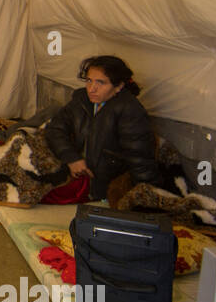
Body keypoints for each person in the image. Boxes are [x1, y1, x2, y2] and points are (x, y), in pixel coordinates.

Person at [44, 55, 158, 202]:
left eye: (101, 83)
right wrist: (72, 158)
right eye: (89, 81)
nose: (92, 89)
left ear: (119, 86)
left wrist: (147, 199)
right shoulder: (82, 100)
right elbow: (55, 129)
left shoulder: (129, 111)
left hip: (103, 187)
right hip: (75, 173)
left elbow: (140, 159)